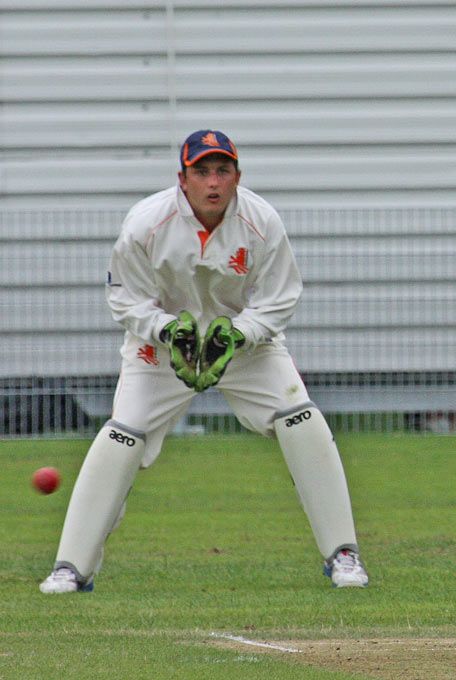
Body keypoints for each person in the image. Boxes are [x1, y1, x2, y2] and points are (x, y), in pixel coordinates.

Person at [40, 130, 369, 592]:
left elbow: (280, 298)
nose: (213, 182)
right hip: (162, 348)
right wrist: (166, 329)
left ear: (238, 177)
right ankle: (72, 567)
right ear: (183, 179)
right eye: (202, 172)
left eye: (222, 170)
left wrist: (237, 335)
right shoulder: (145, 224)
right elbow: (126, 300)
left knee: (300, 417)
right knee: (122, 436)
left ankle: (344, 555)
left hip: (242, 344)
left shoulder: (262, 222)